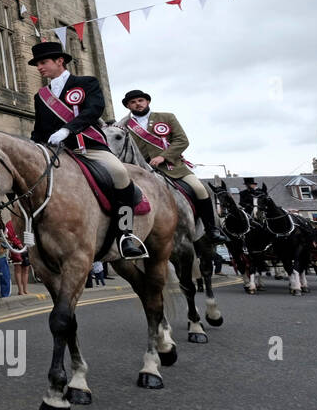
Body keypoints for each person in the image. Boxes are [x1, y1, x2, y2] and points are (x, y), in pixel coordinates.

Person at [29, 40, 146, 259]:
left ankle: (126, 235)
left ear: (60, 61)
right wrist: (33, 146)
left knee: (119, 173)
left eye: (43, 62)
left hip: (89, 147)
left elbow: (94, 109)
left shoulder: (86, 83)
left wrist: (67, 129)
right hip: (58, 152)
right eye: (37, 64)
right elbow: (40, 128)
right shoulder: (41, 96)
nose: (39, 67)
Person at [118, 90, 223, 242]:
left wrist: (163, 156)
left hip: (173, 167)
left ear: (147, 102)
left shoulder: (167, 117)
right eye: (133, 102)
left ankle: (211, 229)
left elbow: (182, 140)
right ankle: (126, 236)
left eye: (140, 100)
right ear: (128, 106)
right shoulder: (124, 125)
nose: (137, 104)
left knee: (199, 189)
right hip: (142, 170)